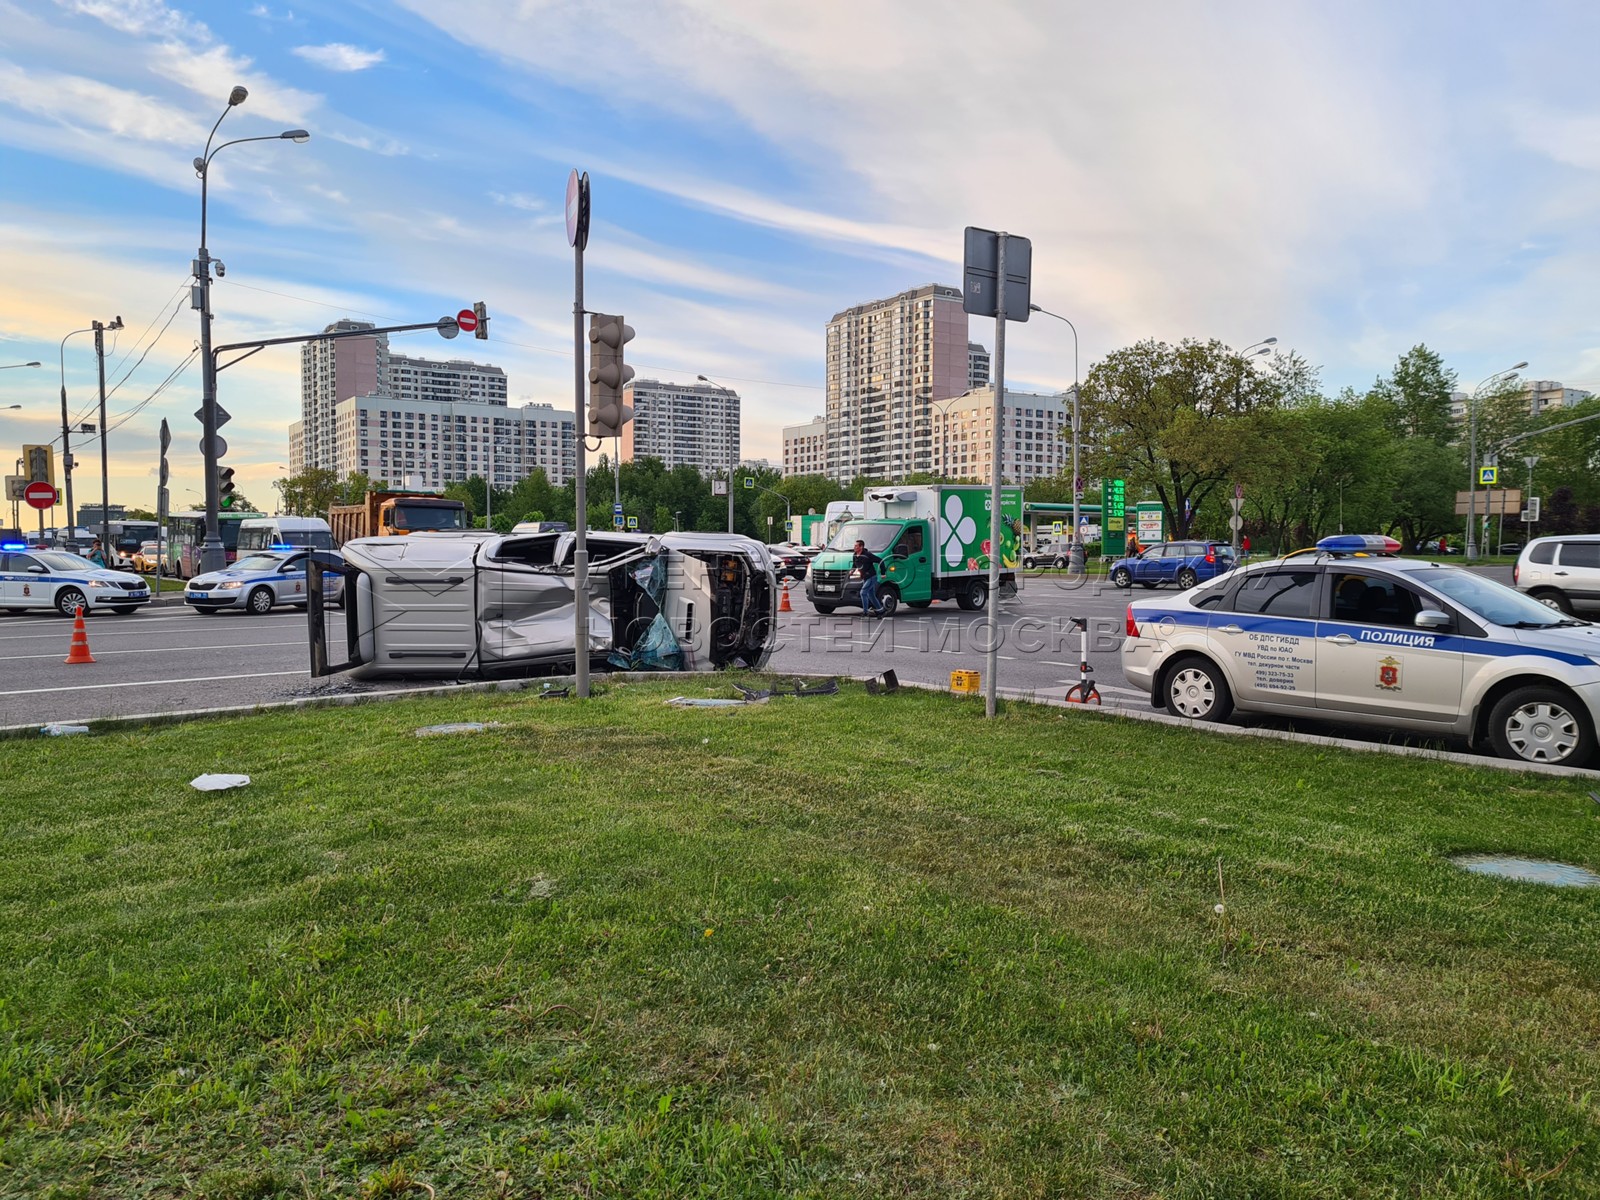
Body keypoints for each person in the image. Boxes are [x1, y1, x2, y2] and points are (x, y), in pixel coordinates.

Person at [853, 538, 885, 616]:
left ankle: (865, 612)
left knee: (863, 593)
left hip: (872, 577)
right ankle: (881, 611)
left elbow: (881, 561)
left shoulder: (868, 555)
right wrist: (852, 570)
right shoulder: (855, 555)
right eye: (854, 546)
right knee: (871, 595)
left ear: (861, 547)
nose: (854, 547)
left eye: (856, 546)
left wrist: (883, 573)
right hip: (865, 578)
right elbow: (854, 565)